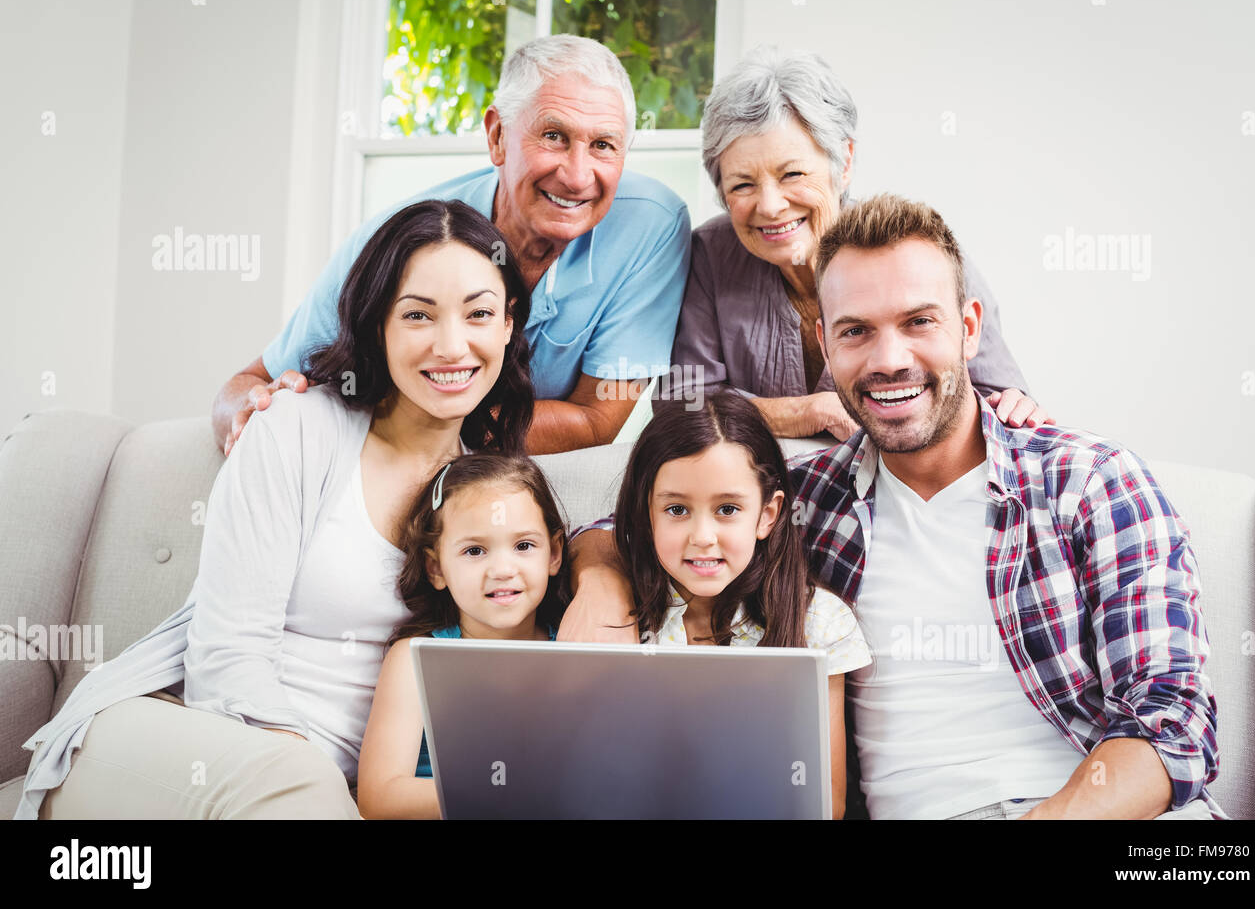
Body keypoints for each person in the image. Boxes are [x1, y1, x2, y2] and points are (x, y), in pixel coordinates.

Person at [567, 193, 1221, 819]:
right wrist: (598, 579)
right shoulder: (805, 503)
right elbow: (634, 526)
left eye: (918, 322)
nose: (889, 360)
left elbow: (1173, 722)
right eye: (856, 331)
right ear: (826, 344)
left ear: (968, 329)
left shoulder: (1090, 481)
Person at [16, 200, 534, 819]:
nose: (451, 345)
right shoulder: (296, 428)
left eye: (479, 313)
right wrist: (311, 783)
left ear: (508, 324)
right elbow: (227, 655)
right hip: (190, 739)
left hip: (330, 793)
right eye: (418, 315)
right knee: (293, 789)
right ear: (377, 326)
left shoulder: (492, 490)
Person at [213, 34, 690, 457]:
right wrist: (251, 415)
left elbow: (596, 421)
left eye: (604, 145)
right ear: (497, 136)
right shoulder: (392, 240)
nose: (578, 175)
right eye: (553, 136)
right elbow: (247, 385)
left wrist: (421, 422)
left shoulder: (652, 226)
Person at [659, 45, 1047, 437]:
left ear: (843, 163)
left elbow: (1001, 403)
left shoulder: (920, 250)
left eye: (792, 174)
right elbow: (681, 405)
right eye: (742, 184)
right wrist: (809, 411)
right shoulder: (710, 255)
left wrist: (1013, 408)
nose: (771, 206)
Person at [613, 394, 870, 819]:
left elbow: (825, 804)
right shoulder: (617, 613)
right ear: (647, 514)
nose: (702, 536)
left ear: (767, 515)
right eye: (677, 509)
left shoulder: (817, 622)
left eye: (727, 509)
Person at [356, 454, 569, 820]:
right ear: (436, 568)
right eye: (475, 551)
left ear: (554, 554)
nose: (502, 570)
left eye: (523, 546)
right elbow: (379, 797)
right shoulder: (414, 658)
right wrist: (505, 793)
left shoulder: (576, 648)